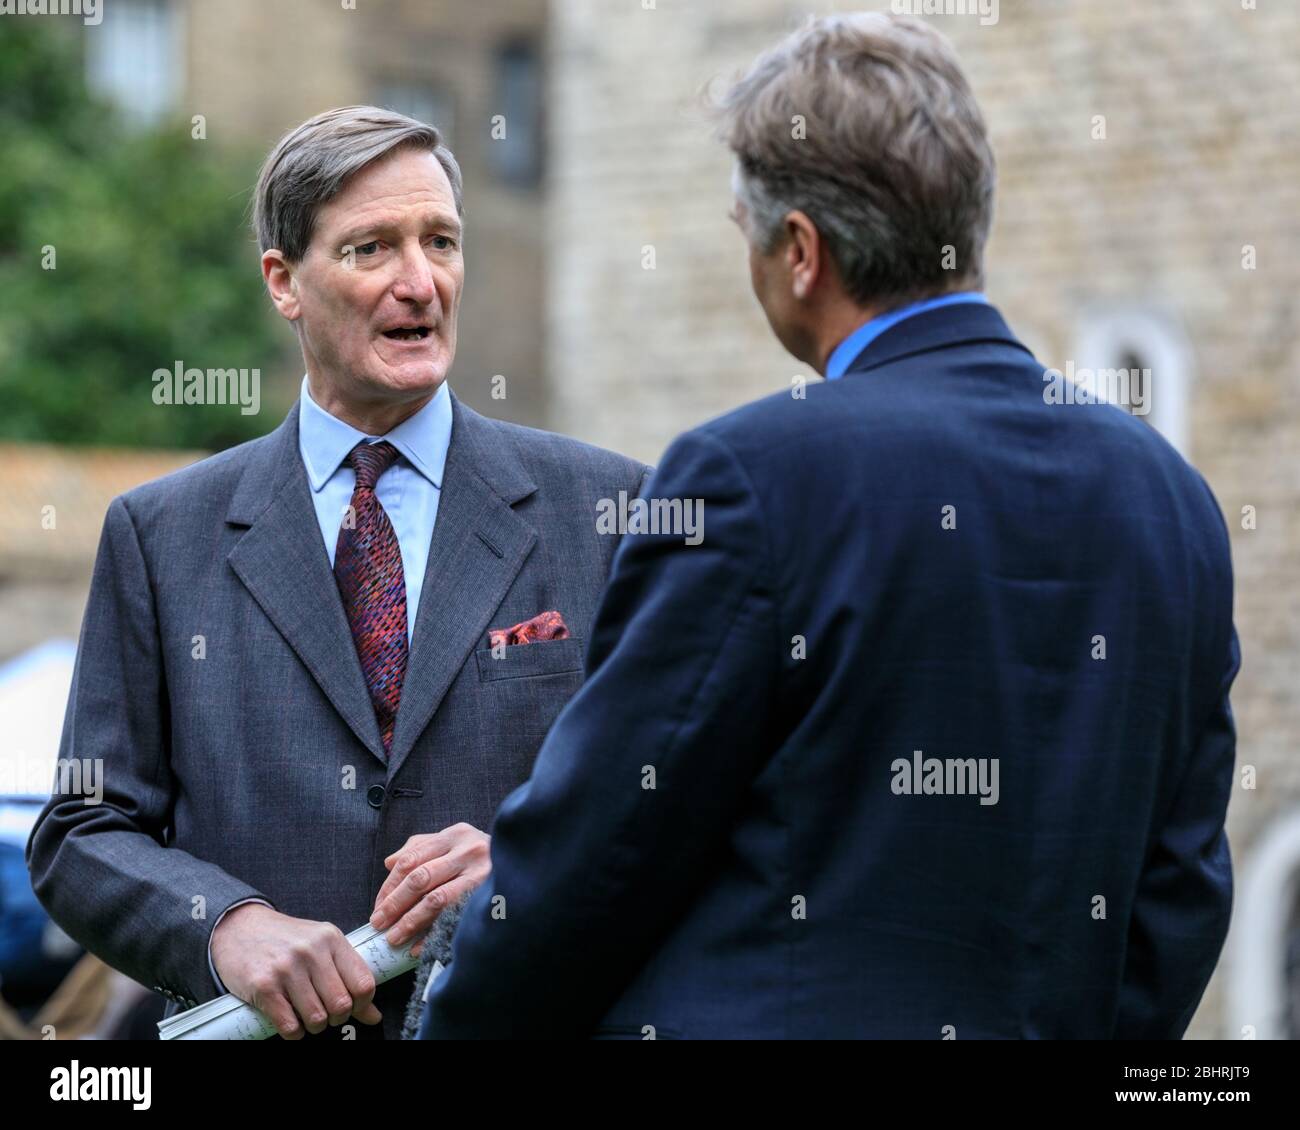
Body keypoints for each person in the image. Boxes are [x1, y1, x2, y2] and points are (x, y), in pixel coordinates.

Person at [416, 13, 1239, 1039]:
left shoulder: (751, 476)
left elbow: (603, 850)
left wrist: (453, 1011)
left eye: (744, 229)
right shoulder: (1169, 497)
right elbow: (1180, 889)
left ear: (799, 251)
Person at [26, 106, 648, 1041]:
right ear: (284, 281)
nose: (420, 281)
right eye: (370, 248)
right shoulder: (160, 535)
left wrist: (534, 860)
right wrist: (223, 927)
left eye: (441, 241)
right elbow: (81, 829)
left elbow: (683, 798)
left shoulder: (611, 509)